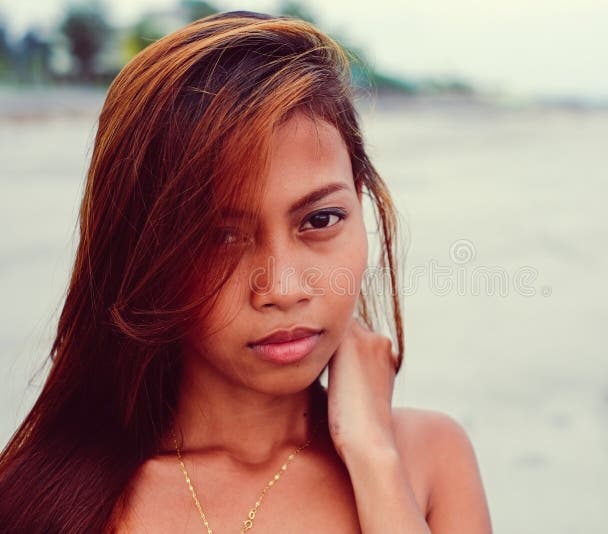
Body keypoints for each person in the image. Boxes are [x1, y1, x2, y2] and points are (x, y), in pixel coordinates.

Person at [0, 10, 492, 534]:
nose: (283, 289)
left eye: (320, 220)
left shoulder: (428, 462)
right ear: (142, 254)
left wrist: (373, 457)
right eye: (220, 237)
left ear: (359, 201)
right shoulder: (43, 500)